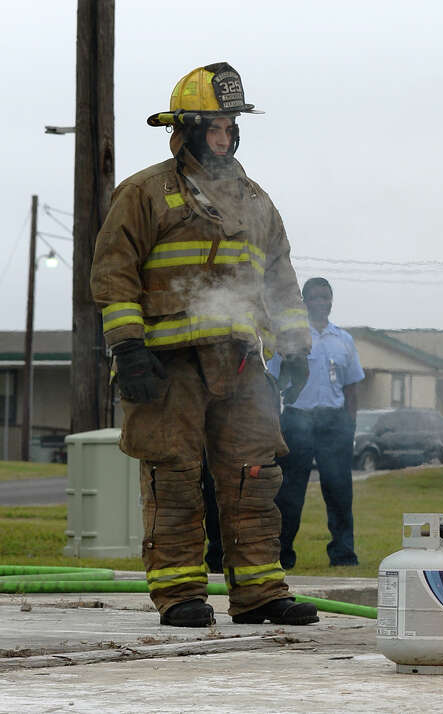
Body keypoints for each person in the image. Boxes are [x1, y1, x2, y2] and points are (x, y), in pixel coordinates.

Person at [90, 62, 318, 627]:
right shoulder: (144, 193)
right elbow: (113, 275)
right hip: (166, 367)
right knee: (174, 476)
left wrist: (295, 344)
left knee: (255, 475)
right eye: (213, 127)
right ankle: (179, 593)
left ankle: (261, 592)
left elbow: (280, 277)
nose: (224, 137)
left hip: (240, 363)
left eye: (230, 127)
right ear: (185, 130)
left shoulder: (255, 200)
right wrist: (128, 350)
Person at [271, 277, 365, 569]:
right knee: (289, 493)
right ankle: (282, 555)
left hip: (334, 423)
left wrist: (349, 425)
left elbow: (351, 387)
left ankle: (343, 555)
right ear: (304, 301)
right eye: (314, 297)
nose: (321, 302)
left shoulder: (343, 340)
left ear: (331, 300)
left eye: (326, 297)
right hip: (297, 421)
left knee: (339, 490)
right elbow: (272, 382)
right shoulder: (290, 338)